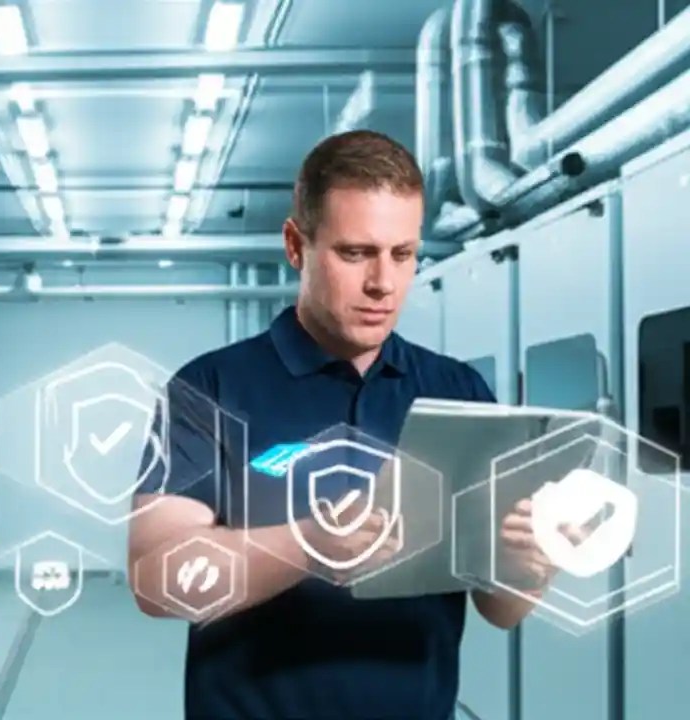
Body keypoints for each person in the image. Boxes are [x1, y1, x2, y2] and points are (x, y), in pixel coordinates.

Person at [126, 130, 576, 719]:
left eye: (403, 254)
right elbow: (157, 581)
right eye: (355, 253)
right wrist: (308, 544)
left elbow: (500, 608)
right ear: (296, 245)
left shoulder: (458, 392)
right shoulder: (208, 388)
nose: (383, 284)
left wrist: (528, 561)